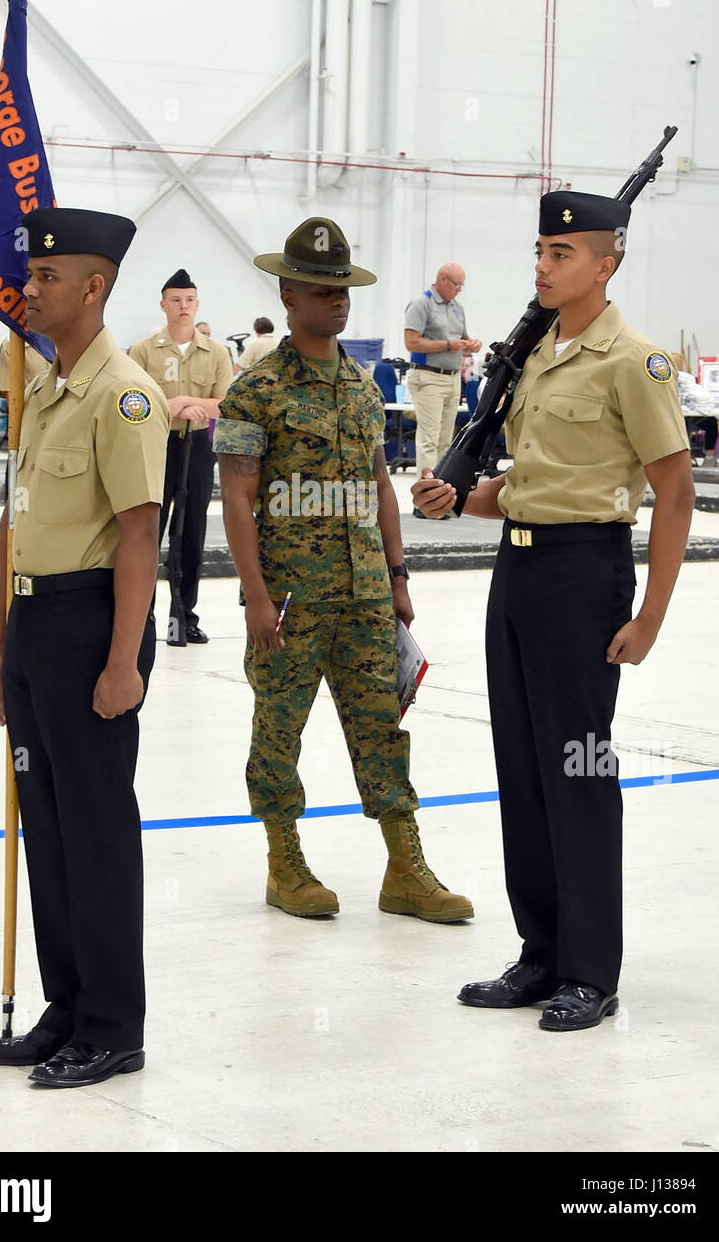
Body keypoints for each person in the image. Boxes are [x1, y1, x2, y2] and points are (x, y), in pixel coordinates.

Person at [414, 190, 694, 1030]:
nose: (542, 265)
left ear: (605, 265)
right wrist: (458, 499)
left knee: (578, 770)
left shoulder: (633, 363)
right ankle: (540, 955)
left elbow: (675, 493)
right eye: (539, 251)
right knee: (525, 774)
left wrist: (650, 617)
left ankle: (589, 971)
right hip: (519, 575)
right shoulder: (536, 357)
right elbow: (531, 485)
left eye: (560, 254)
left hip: (585, 577)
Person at [215, 217, 473, 923]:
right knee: (278, 730)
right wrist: (257, 597)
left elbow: (380, 488)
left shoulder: (362, 388)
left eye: (344, 288)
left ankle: (405, 869)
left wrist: (397, 577)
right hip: (292, 600)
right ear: (289, 293)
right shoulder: (255, 390)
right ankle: (284, 862)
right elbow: (237, 496)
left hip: (364, 596)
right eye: (323, 289)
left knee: (381, 728)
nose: (338, 301)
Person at [0, 207, 169, 1087]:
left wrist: (125, 661)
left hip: (93, 628)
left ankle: (113, 1025)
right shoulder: (50, 387)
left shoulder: (124, 393)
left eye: (49, 276)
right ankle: (67, 1005)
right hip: (33, 633)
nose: (32, 286)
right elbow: (19, 527)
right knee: (47, 830)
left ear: (93, 287)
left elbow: (139, 535)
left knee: (94, 832)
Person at [129, 269, 233, 645]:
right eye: (175, 300)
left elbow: (224, 404)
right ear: (163, 305)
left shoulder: (216, 351)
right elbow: (134, 402)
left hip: (199, 449)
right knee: (148, 532)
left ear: (197, 304)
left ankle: (185, 614)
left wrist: (181, 403)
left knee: (192, 535)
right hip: (157, 447)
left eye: (189, 300)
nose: (183, 306)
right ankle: (142, 613)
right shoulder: (143, 350)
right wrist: (170, 408)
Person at [404, 262, 482, 494]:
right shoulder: (421, 304)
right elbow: (412, 342)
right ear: (443, 279)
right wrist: (449, 345)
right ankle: (425, 493)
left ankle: (441, 491)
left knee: (446, 439)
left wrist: (472, 344)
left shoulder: (457, 307)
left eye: (462, 285)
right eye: (456, 284)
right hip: (428, 377)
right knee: (429, 437)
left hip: (453, 378)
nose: (459, 289)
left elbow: (463, 339)